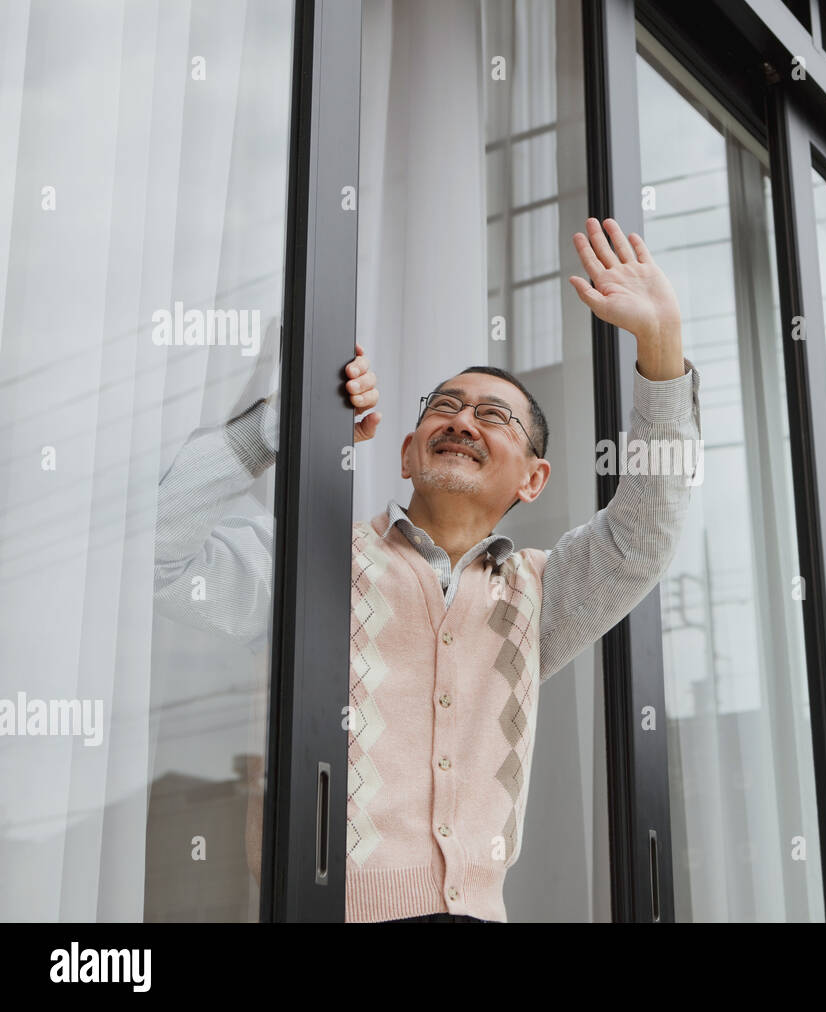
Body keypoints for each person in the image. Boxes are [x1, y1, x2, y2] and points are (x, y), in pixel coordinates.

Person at [153, 217, 701, 922]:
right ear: (409, 453)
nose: (463, 420)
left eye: (493, 415)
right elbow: (161, 556)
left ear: (533, 479)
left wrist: (661, 348)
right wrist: (272, 429)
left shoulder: (538, 594)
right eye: (445, 407)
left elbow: (645, 535)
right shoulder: (314, 565)